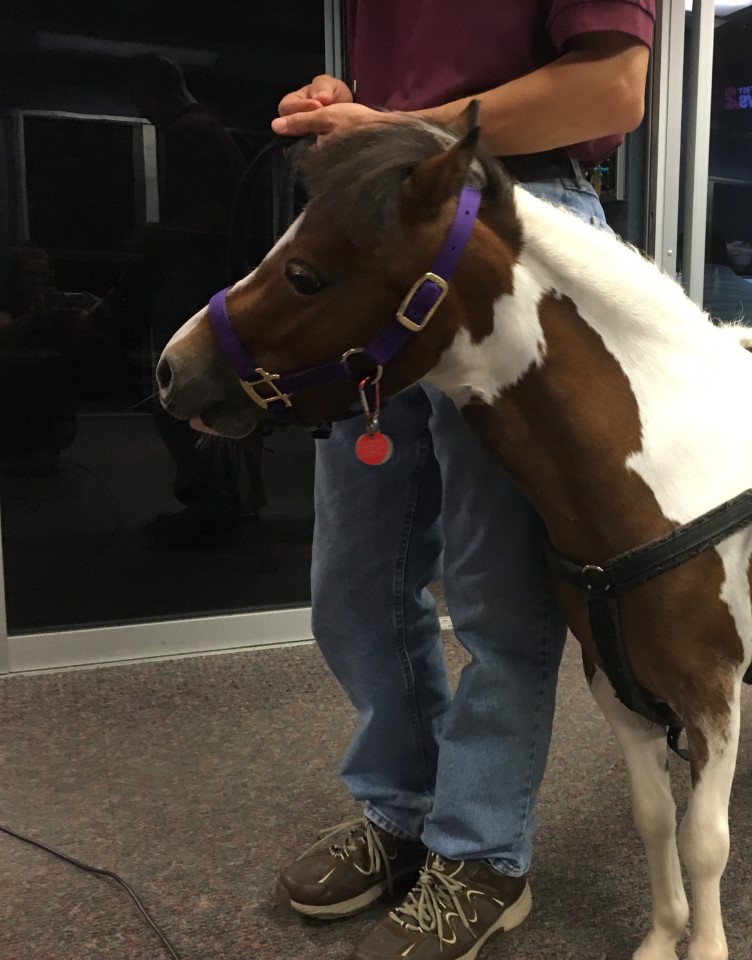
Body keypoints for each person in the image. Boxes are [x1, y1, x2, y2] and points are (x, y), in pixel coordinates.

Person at [268, 6, 654, 960]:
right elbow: (427, 87)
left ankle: (482, 852)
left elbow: (610, 88)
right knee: (356, 582)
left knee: (495, 589)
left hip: (513, 226)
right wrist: (347, 112)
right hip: (383, 220)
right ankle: (399, 812)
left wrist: (401, 129)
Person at [126, 54, 261, 546]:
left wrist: (155, 235)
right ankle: (235, 497)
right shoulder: (212, 130)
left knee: (177, 391)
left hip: (192, 277)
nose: (139, 111)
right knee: (220, 388)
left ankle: (209, 503)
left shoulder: (188, 135)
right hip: (214, 277)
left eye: (138, 97)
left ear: (155, 89)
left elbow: (211, 214)